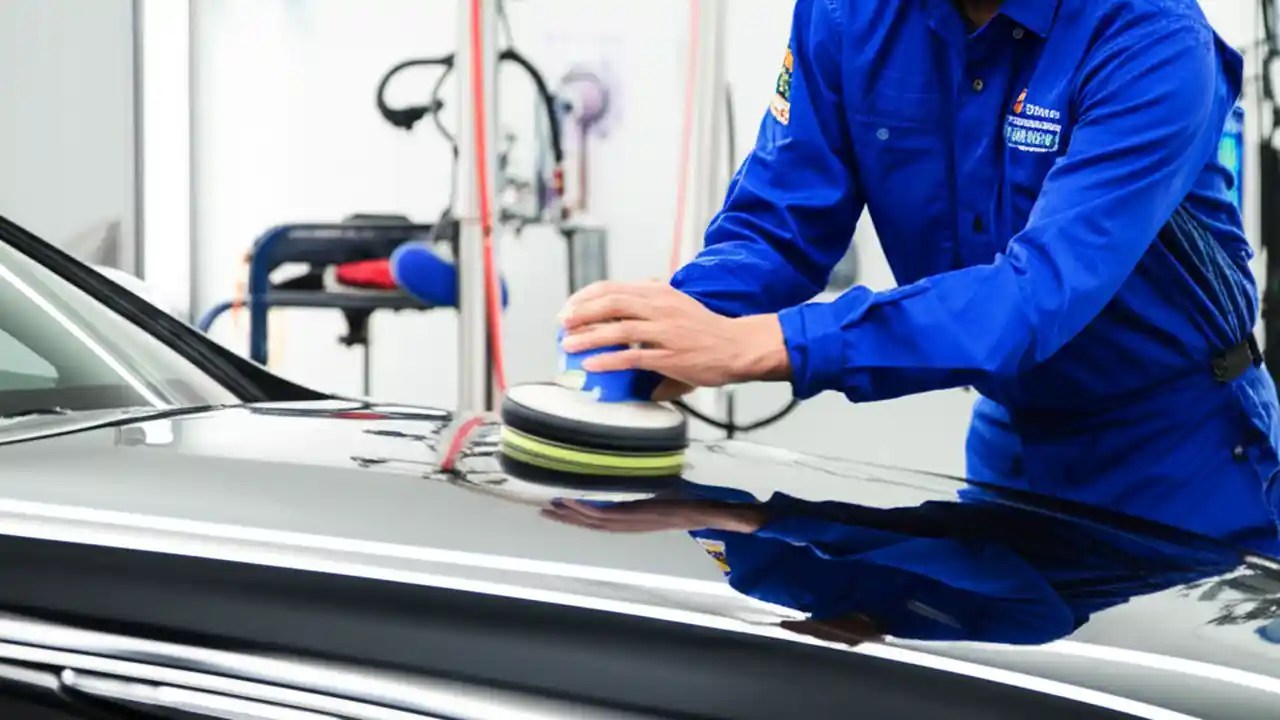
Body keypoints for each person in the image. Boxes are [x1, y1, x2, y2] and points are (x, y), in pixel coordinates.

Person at [557, 0, 1280, 549]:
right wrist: (643, 349)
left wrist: (765, 345)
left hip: (1179, 451)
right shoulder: (850, 14)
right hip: (1010, 438)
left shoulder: (1150, 39)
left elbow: (1032, 298)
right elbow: (778, 225)